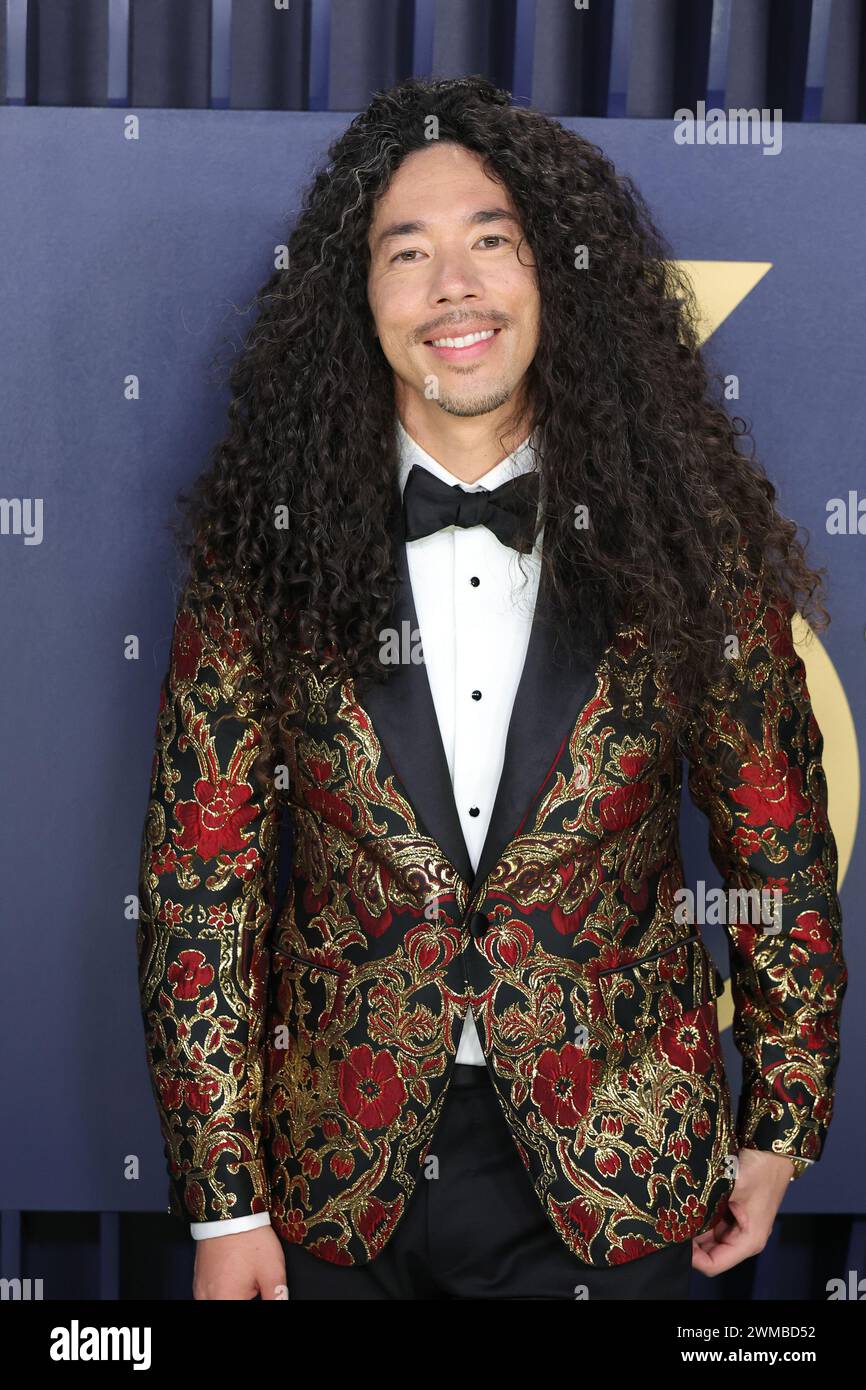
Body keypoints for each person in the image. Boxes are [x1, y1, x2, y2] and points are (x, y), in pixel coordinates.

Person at [136, 76, 847, 1301]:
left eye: (491, 242)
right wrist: (222, 1204)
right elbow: (203, 879)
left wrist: (781, 1120)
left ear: (550, 275)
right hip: (328, 1179)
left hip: (622, 1169)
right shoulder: (265, 547)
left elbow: (775, 846)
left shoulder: (689, 538)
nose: (451, 286)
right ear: (355, 297)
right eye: (405, 252)